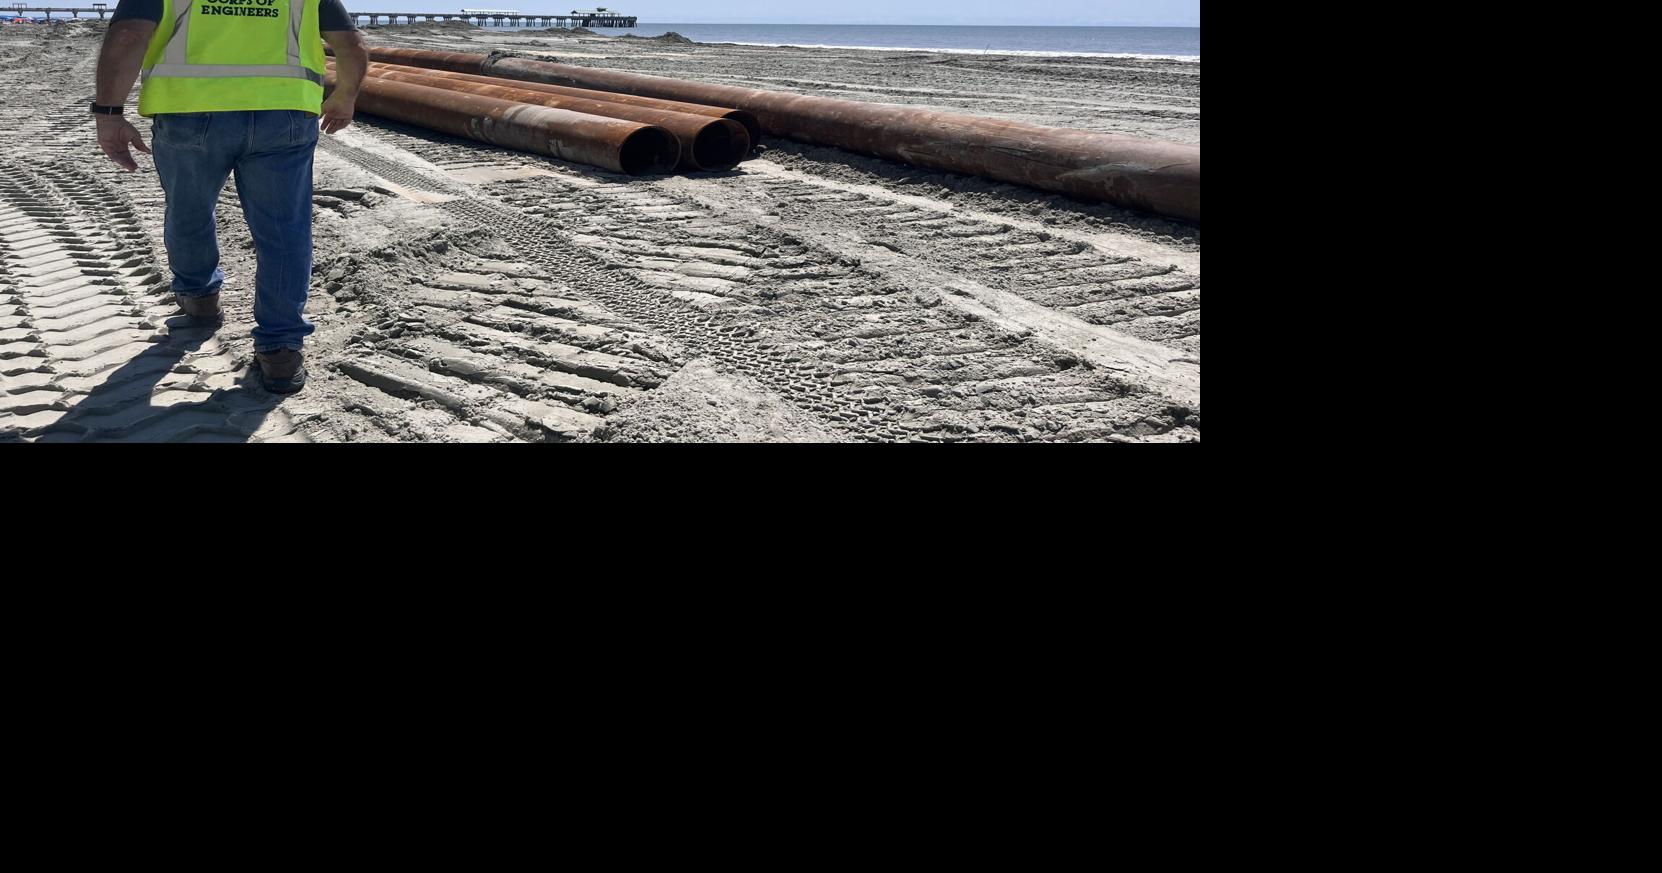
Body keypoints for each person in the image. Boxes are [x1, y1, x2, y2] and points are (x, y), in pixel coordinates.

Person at [92, 0, 369, 393]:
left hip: (189, 111)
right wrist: (345, 95)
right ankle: (281, 351)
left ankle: (200, 298)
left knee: (189, 211)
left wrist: (108, 113)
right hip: (284, 114)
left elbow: (130, 34)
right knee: (284, 232)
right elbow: (350, 45)